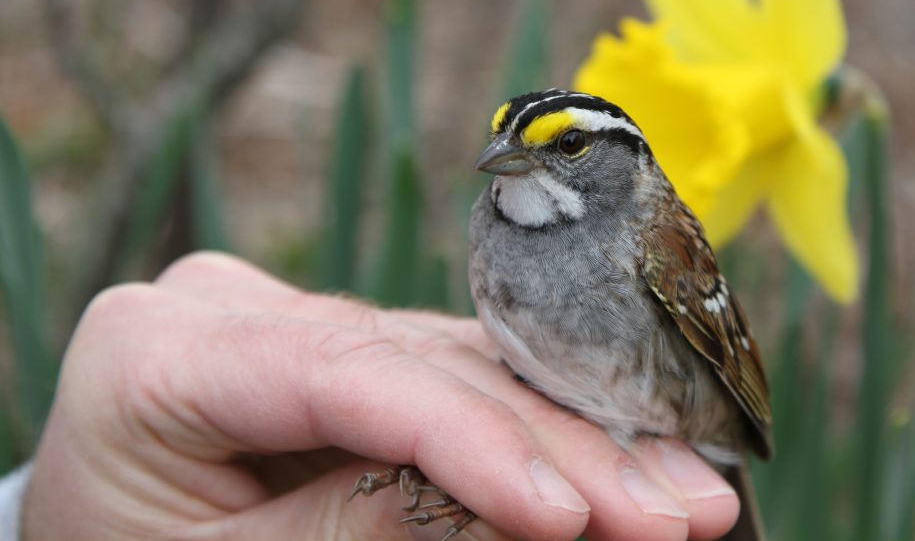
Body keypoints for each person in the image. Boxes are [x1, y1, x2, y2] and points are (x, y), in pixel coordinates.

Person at [1, 252, 740, 540]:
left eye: (567, 148)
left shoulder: (655, 248)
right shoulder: (498, 229)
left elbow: (726, 351)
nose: (508, 160)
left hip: (662, 438)